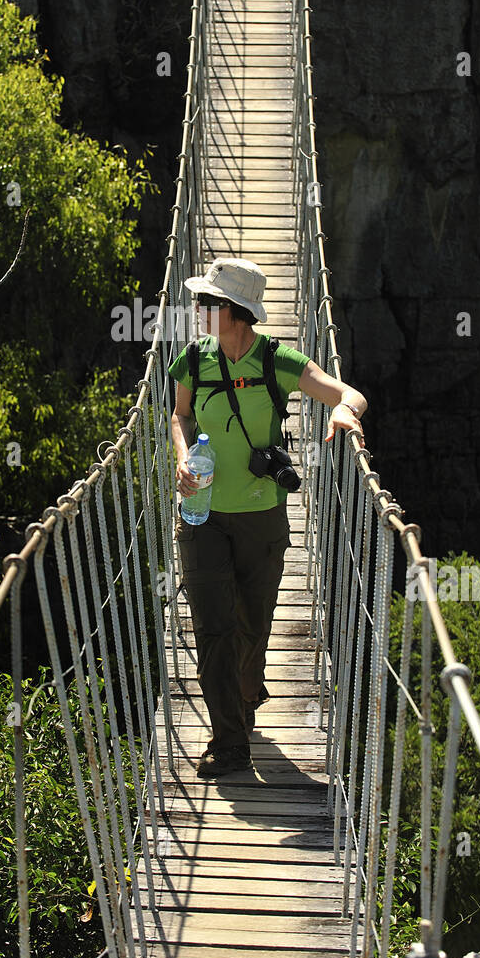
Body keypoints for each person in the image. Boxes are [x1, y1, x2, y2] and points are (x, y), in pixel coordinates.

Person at [168, 257, 368, 778]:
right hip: (202, 513)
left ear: (235, 313)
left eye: (206, 303)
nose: (197, 309)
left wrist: (345, 410)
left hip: (261, 515)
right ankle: (230, 741)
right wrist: (182, 456)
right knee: (214, 628)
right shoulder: (192, 361)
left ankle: (248, 688)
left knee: (253, 626)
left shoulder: (277, 360)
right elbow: (180, 415)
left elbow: (347, 393)